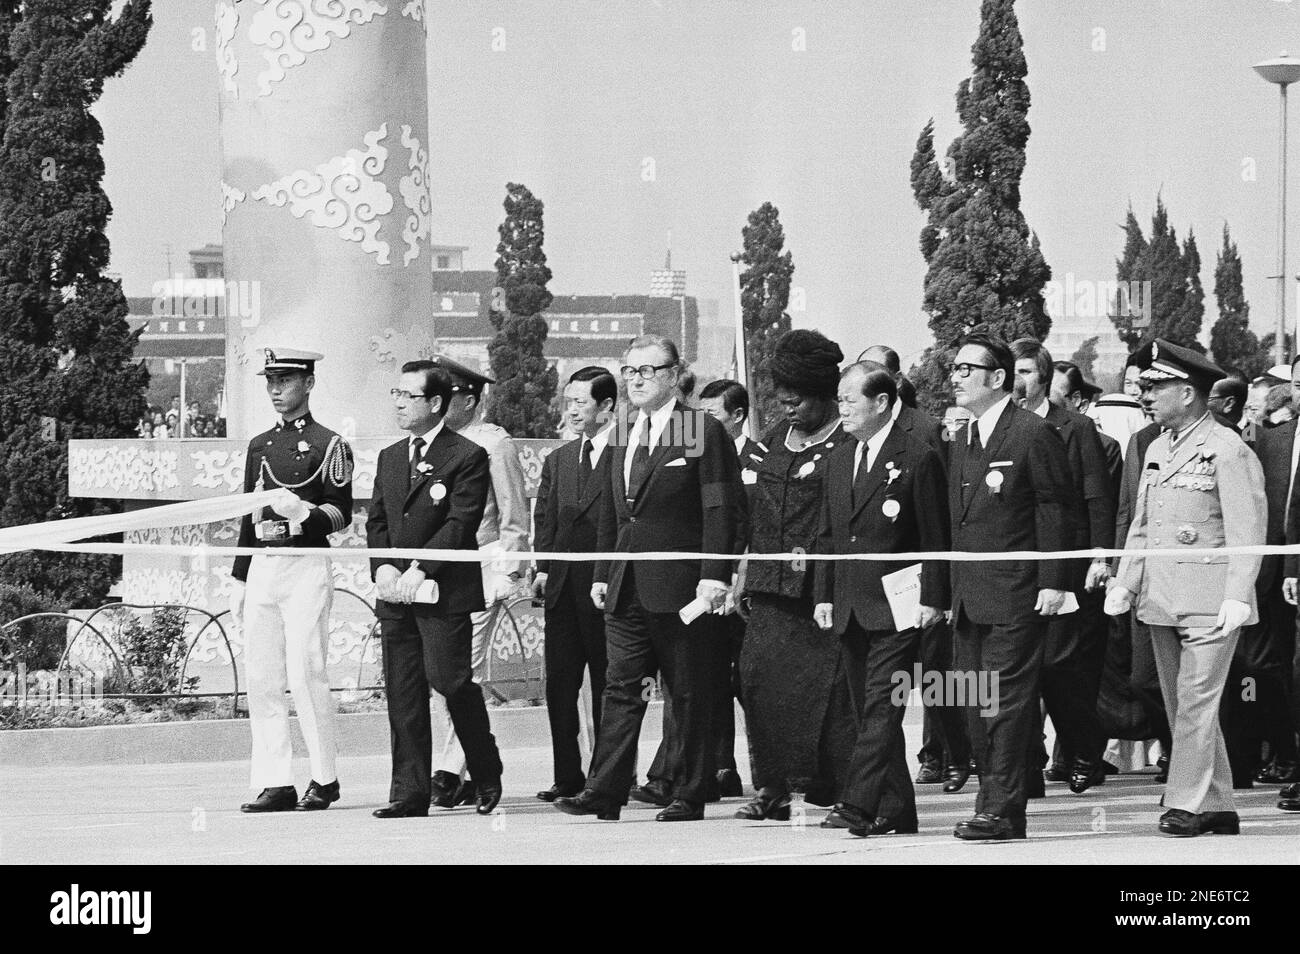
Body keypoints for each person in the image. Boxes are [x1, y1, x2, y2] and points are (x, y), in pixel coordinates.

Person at [554, 334, 744, 822]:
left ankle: (690, 789)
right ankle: (606, 788)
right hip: (626, 583)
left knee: (688, 690)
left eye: (648, 370)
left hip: (682, 587)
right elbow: (614, 515)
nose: (636, 380)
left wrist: (714, 575)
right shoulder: (624, 430)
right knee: (621, 687)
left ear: (675, 375)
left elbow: (721, 507)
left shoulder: (700, 428)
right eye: (629, 371)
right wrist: (602, 571)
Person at [1108, 339, 1266, 836]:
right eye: (1146, 386)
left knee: (1197, 702)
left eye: (1157, 387)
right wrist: (1126, 582)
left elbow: (1248, 530)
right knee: (1182, 705)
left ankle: (1186, 802)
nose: (1146, 395)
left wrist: (1239, 594)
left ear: (1190, 394)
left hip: (1210, 600)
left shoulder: (1227, 450)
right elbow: (1142, 525)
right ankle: (1217, 802)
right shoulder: (1156, 447)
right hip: (1161, 597)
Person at [947, 332, 1074, 840]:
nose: (954, 378)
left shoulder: (1031, 433)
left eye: (965, 369)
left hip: (1016, 595)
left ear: (996, 378)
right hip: (968, 598)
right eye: (953, 370)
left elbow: (1054, 509)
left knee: (1004, 704)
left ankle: (1000, 809)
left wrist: (1054, 581)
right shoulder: (963, 437)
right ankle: (995, 802)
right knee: (974, 704)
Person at [814, 363, 950, 836]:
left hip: (899, 606)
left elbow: (936, 536)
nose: (843, 407)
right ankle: (898, 809)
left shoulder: (917, 456)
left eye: (852, 398)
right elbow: (828, 536)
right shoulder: (838, 458)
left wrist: (935, 597)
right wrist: (823, 594)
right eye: (840, 397)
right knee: (866, 710)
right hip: (850, 603)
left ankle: (858, 802)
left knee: (881, 706)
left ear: (882, 402)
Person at [367, 360, 503, 818]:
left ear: (436, 403)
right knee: (403, 691)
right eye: (395, 394)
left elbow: (460, 522)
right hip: (395, 593)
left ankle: (484, 768)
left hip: (441, 590)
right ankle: (408, 792)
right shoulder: (390, 457)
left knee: (451, 681)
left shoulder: (466, 455)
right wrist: (384, 566)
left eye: (408, 396)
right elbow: (378, 521)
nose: (399, 403)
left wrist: (421, 568)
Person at [733, 329, 855, 820]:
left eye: (799, 400)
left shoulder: (847, 444)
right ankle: (772, 786)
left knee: (829, 696)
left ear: (825, 395)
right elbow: (748, 517)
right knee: (757, 684)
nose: (790, 408)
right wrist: (741, 571)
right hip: (767, 587)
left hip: (820, 590)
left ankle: (842, 788)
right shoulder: (767, 446)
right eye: (782, 400)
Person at [230, 348, 353, 813]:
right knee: (262, 678)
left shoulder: (329, 443)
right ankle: (274, 779)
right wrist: (240, 576)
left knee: (306, 673)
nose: (276, 390)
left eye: (285, 380)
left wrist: (303, 518)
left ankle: (325, 777)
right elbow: (248, 514)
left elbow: (342, 511)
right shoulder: (260, 444)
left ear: (309, 384)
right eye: (271, 381)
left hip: (304, 565)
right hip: (264, 564)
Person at [423, 354, 530, 809]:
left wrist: (509, 565)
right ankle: (461, 766)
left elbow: (513, 510)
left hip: (481, 563)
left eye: (452, 396)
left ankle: (449, 770)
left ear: (471, 399)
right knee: (440, 674)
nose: (443, 404)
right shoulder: (432, 442)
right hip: (437, 570)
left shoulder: (493, 444)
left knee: (461, 671)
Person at [1012, 339, 1114, 794]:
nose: (1019, 381)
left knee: (1060, 669)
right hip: (1016, 567)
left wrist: (1100, 556)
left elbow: (1095, 498)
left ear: (1045, 378)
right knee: (1018, 672)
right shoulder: (997, 429)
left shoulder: (1076, 427)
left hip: (1065, 566)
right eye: (1011, 371)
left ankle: (1085, 747)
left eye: (1028, 372)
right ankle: (1025, 766)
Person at [532, 366, 617, 801]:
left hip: (605, 590)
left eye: (580, 402)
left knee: (608, 686)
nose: (572, 410)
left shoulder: (627, 455)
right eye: (568, 402)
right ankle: (567, 774)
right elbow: (545, 520)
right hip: (562, 590)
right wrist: (542, 567)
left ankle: (608, 776)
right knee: (560, 688)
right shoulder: (559, 460)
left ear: (606, 406)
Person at [697, 377, 765, 797]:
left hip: (745, 593)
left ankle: (768, 772)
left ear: (737, 416)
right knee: (710, 680)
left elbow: (753, 530)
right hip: (708, 588)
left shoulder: (760, 461)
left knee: (751, 684)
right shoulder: (695, 456)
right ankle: (722, 767)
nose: (703, 424)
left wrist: (739, 580)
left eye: (712, 415)